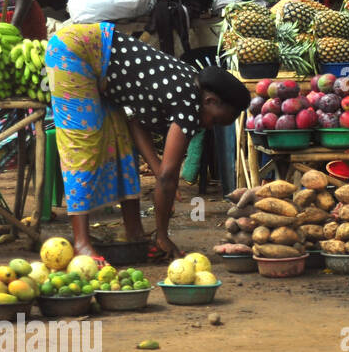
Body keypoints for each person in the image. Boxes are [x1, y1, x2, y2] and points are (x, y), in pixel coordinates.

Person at [46, 22, 249, 260]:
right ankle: (81, 243)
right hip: (74, 52)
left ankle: (135, 233)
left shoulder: (190, 88)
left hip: (95, 59)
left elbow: (135, 123)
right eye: (214, 121)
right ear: (211, 101)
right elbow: (167, 177)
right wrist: (163, 234)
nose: (208, 126)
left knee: (121, 146)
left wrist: (157, 168)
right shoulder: (190, 105)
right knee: (83, 146)